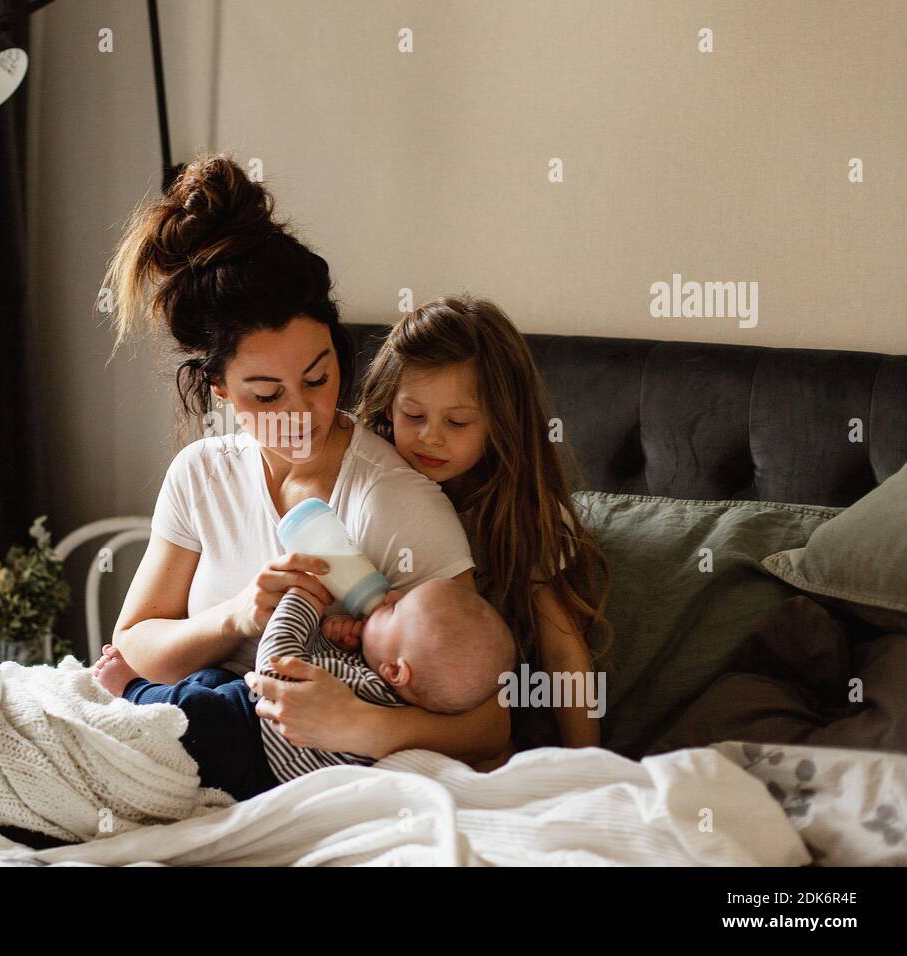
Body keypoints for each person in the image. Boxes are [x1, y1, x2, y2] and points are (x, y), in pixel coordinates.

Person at [101, 154, 512, 770]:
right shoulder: (199, 475)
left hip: (311, 765)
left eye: (318, 378)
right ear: (219, 388)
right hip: (192, 736)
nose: (302, 412)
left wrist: (363, 724)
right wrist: (236, 616)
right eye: (266, 395)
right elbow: (135, 644)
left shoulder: (394, 500)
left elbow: (491, 723)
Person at [352, 295, 614, 748]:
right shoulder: (369, 477)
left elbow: (562, 647)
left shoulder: (521, 514)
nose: (429, 437)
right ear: (388, 405)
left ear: (501, 422)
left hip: (478, 722)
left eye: (457, 422)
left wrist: (587, 762)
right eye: (413, 415)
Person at [93, 579, 516, 800]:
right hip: (253, 725)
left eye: (395, 609)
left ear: (395, 671)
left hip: (253, 759)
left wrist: (303, 601)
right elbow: (322, 666)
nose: (390, 595)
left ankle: (130, 688)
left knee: (198, 713)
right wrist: (340, 638)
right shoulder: (384, 686)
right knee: (213, 683)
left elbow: (276, 664)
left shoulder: (366, 691)